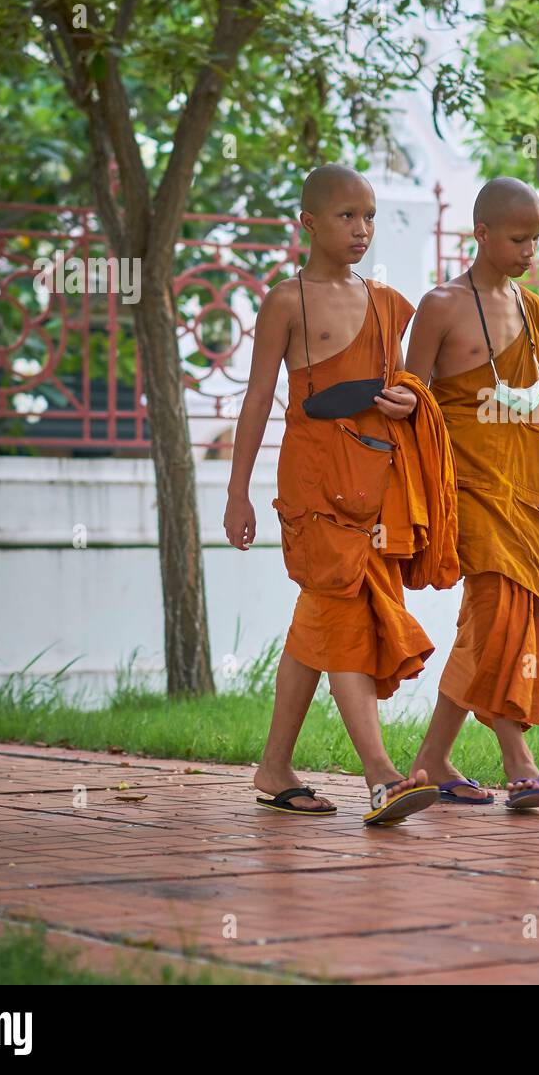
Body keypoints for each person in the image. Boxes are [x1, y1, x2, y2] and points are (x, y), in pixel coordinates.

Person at [224, 164, 458, 826]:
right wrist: (237, 493)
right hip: (314, 486)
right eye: (346, 216)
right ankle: (382, 777)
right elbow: (256, 398)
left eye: (369, 216)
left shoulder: (385, 301)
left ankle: (274, 767)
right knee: (347, 618)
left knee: (319, 625)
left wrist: (411, 397)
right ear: (309, 224)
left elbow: (417, 383)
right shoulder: (287, 301)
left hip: (374, 486)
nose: (361, 230)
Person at [403, 177, 539, 810]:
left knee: (494, 625)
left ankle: (433, 759)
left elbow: (537, 405)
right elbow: (414, 400)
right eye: (518, 238)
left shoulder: (533, 308)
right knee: (497, 616)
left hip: (534, 486)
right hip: (471, 484)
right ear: (481, 233)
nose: (529, 251)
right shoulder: (440, 306)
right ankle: (520, 759)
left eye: (537, 240)